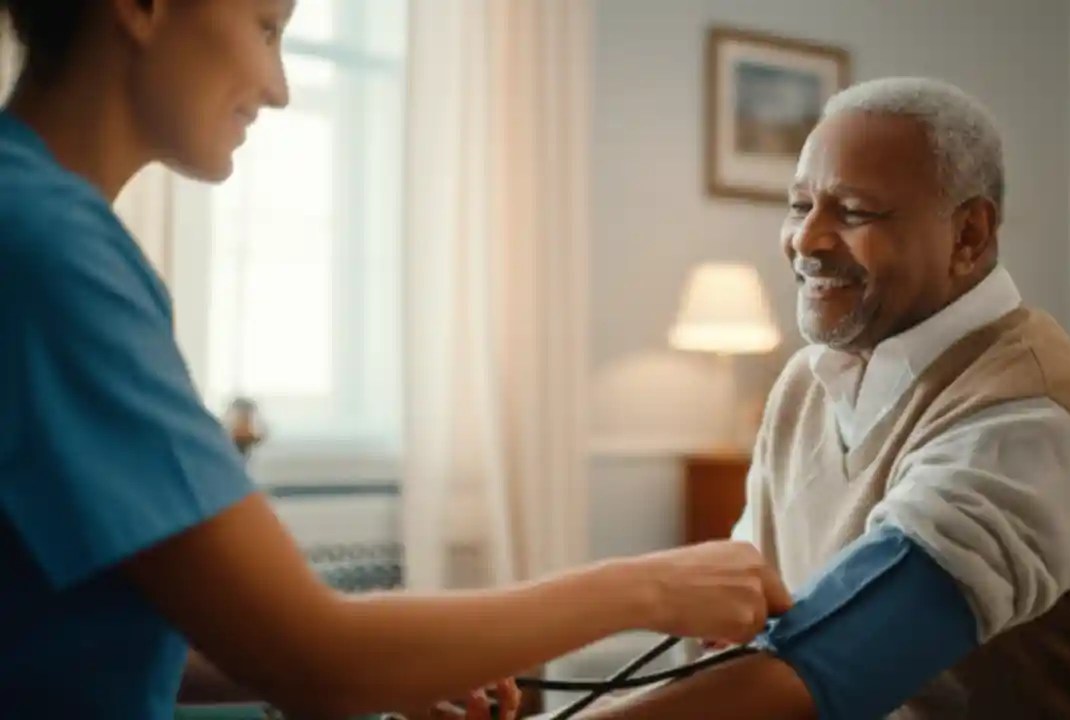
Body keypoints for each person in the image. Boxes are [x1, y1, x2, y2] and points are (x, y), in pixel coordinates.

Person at [0, 1, 793, 718]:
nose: (277, 88)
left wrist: (400, 655)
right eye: (266, 28)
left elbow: (75, 633)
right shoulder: (49, 252)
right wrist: (651, 586)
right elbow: (316, 659)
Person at [569, 77, 1070, 719]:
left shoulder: (1031, 420)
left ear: (969, 236)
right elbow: (736, 640)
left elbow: (814, 674)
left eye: (853, 211)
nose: (806, 240)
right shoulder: (803, 384)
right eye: (798, 205)